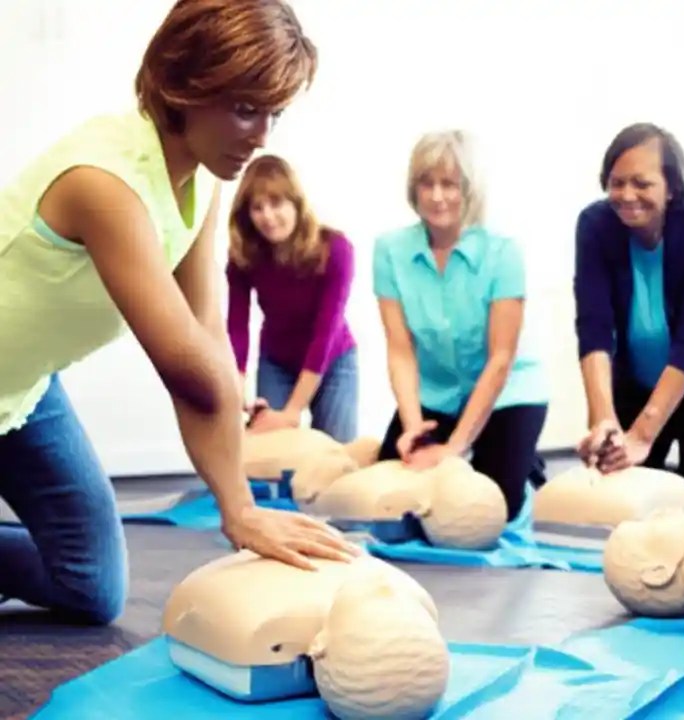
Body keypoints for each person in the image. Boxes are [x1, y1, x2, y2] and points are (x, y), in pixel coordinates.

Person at [0, 0, 356, 625]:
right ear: (184, 86)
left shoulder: (203, 180)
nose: (264, 135)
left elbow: (208, 334)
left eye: (274, 111)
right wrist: (239, 510)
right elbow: (184, 364)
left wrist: (236, 499)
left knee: (92, 586)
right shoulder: (105, 182)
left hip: (22, 388)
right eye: (246, 109)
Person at [574, 123, 684, 537]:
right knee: (626, 523)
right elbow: (594, 327)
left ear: (671, 187)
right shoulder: (596, 225)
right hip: (636, 387)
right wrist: (605, 421)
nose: (626, 195)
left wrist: (642, 434)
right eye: (616, 183)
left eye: (642, 183)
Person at [373, 130, 548, 522]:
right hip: (437, 395)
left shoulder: (504, 253)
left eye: (449, 184)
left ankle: (521, 460)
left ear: (469, 189)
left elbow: (500, 359)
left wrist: (453, 447)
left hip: (508, 392)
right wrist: (414, 426)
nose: (437, 196)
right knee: (393, 497)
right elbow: (400, 350)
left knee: (484, 508)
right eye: (427, 183)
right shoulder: (389, 251)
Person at [227, 154, 359, 442]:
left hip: (334, 360)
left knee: (336, 456)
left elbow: (325, 333)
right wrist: (236, 391)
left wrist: (292, 412)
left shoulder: (336, 250)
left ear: (295, 203)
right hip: (277, 361)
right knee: (270, 450)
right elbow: (237, 327)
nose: (268, 217)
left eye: (276, 204)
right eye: (257, 208)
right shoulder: (243, 257)